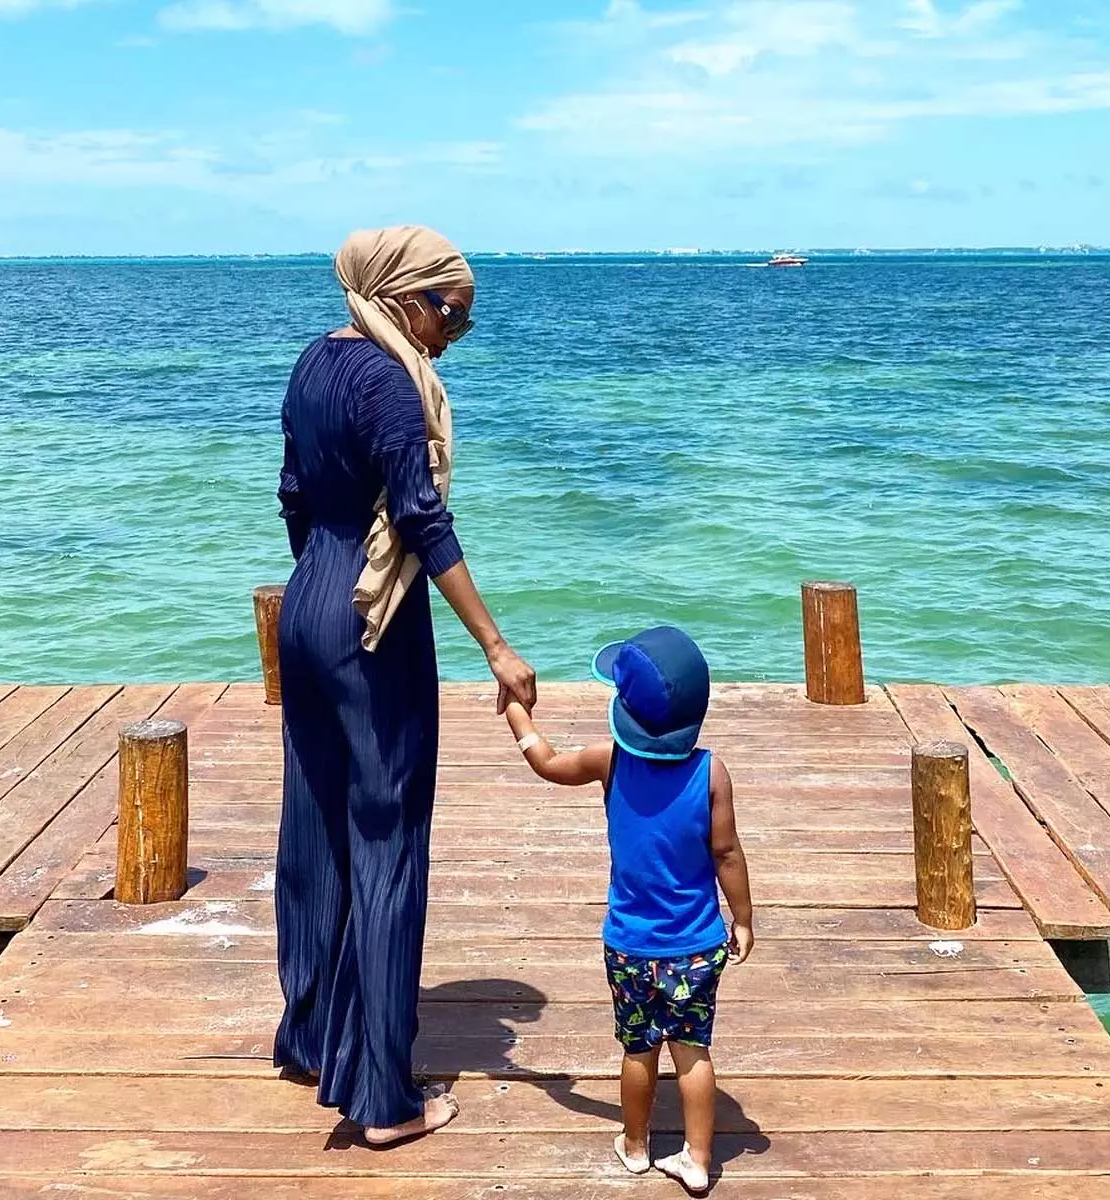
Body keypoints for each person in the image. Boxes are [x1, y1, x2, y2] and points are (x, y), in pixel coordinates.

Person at [274, 225, 537, 1147]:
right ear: (402, 295)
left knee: (314, 823)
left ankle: (313, 1037)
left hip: (309, 603)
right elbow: (424, 519)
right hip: (371, 623)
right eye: (448, 311)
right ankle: (383, 1097)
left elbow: (295, 496)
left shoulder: (315, 362)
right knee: (388, 840)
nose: (453, 332)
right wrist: (498, 647)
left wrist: (322, 584)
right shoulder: (387, 380)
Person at [502, 626, 754, 1195]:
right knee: (693, 1051)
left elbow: (545, 762)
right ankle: (697, 1158)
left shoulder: (608, 759)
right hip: (696, 945)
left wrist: (518, 714)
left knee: (638, 1049)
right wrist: (742, 917)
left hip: (630, 946)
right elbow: (726, 852)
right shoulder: (711, 772)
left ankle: (636, 1145)